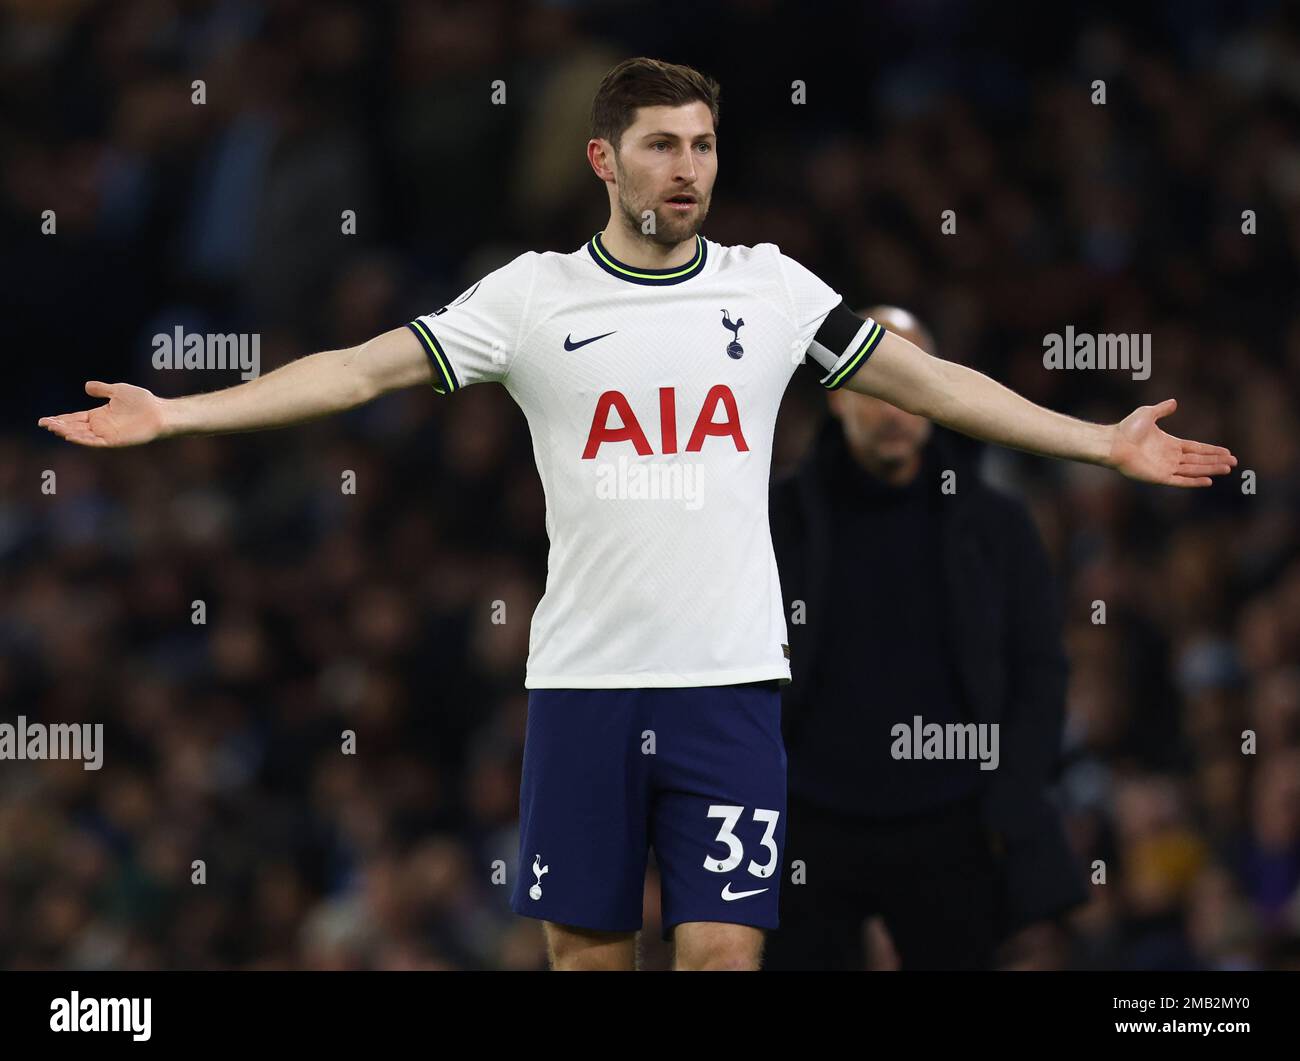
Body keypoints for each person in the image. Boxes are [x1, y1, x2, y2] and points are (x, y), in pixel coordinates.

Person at [38, 58, 1236, 972]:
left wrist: (1099, 439)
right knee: (588, 961)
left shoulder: (769, 287)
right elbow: (359, 370)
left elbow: (936, 386)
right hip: (585, 688)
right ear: (603, 160)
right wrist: (179, 414)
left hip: (727, 687)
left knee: (719, 952)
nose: (687, 168)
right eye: (662, 144)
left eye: (703, 145)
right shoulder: (532, 297)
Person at [764, 306, 1086, 970]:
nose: (894, 409)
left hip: (954, 822)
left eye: (910, 384)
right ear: (835, 394)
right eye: (875, 385)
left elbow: (1040, 670)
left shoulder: (996, 524)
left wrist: (1012, 799)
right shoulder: (774, 519)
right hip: (806, 820)